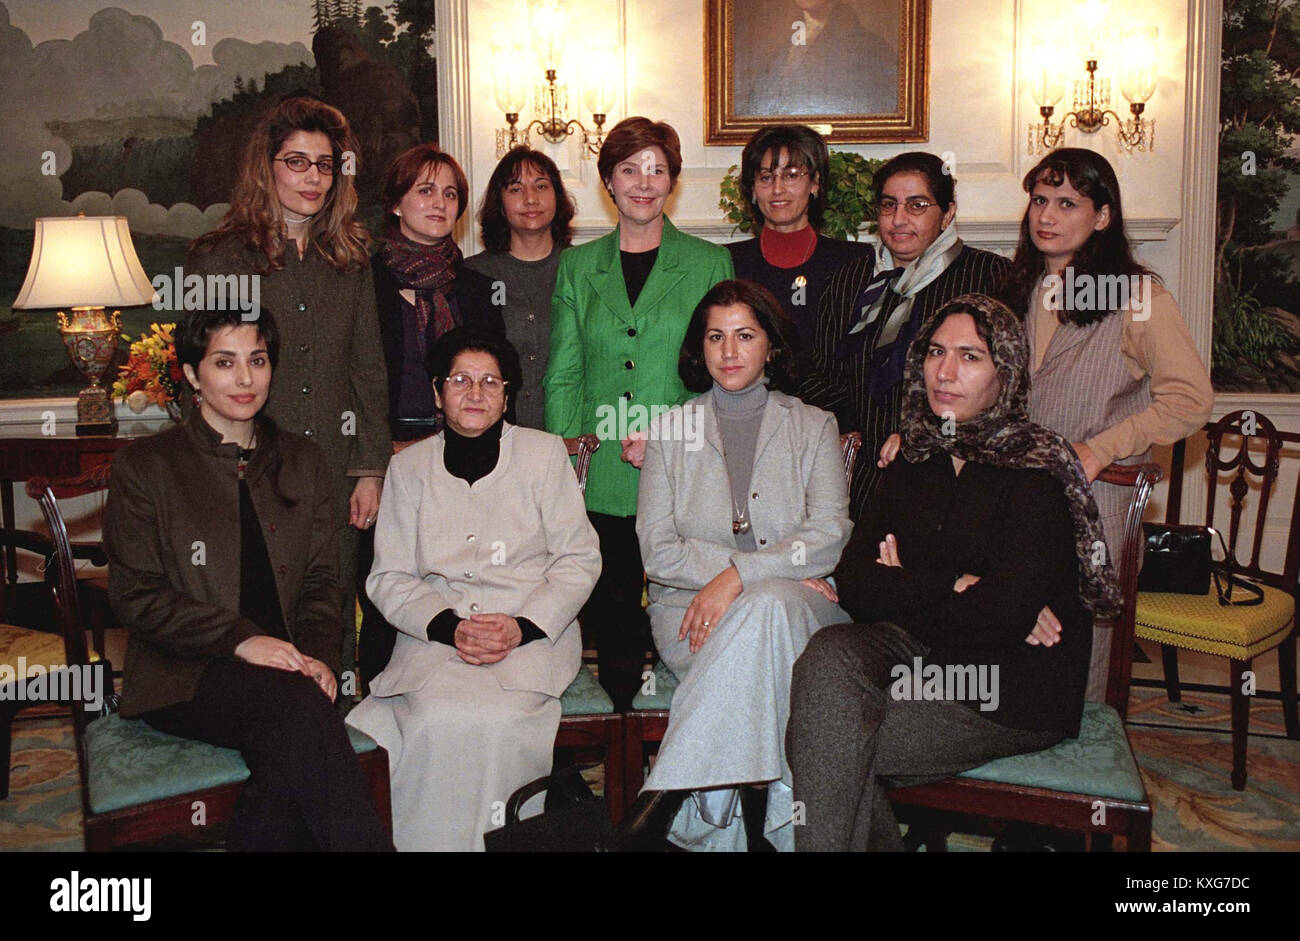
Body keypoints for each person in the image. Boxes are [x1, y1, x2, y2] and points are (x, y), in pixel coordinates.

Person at [786, 293, 1116, 851]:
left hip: (1010, 688)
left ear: (1004, 373)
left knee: (823, 739)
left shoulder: (1037, 470)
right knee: (828, 657)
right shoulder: (915, 455)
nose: (944, 371)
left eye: (970, 356)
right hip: (918, 652)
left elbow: (1000, 618)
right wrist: (953, 584)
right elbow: (857, 583)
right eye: (936, 352)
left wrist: (909, 583)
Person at [103, 307, 391, 851]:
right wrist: (244, 641)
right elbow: (135, 596)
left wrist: (319, 657)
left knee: (288, 762)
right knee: (300, 717)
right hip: (185, 675)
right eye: (224, 362)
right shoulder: (147, 466)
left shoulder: (302, 460)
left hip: (290, 674)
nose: (244, 379)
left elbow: (324, 582)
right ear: (191, 374)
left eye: (257, 361)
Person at [615, 279, 851, 852]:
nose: (729, 351)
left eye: (745, 335)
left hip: (800, 613)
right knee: (763, 630)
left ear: (771, 346)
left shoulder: (814, 426)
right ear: (700, 347)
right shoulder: (670, 429)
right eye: (715, 336)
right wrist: (770, 569)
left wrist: (740, 577)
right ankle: (764, 831)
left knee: (769, 606)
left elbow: (830, 534)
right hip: (690, 613)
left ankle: (672, 796)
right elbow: (659, 550)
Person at [347, 326, 601, 851]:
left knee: (500, 719)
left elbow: (578, 559)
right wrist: (448, 627)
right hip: (434, 641)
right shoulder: (407, 468)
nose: (476, 392)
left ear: (508, 395)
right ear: (438, 393)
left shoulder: (544, 455)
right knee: (432, 719)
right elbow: (388, 576)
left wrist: (521, 626)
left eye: (491, 381)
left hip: (531, 640)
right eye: (460, 379)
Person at [188, 95, 391, 677]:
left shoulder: (350, 257)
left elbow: (368, 369)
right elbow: (196, 379)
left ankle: (338, 728)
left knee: (328, 611)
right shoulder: (218, 258)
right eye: (297, 162)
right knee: (257, 610)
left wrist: (369, 469)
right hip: (247, 470)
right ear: (267, 166)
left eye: (324, 165)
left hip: (333, 466)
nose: (313, 177)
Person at [999, 148, 1213, 697]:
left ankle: (1089, 770)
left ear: (1102, 216)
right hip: (1011, 499)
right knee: (1010, 636)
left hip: (1097, 502)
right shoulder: (1014, 291)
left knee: (1084, 659)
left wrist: (1100, 448)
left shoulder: (1139, 295)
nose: (1046, 216)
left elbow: (1190, 400)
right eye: (1040, 201)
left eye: (1068, 203)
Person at [545, 116, 734, 709]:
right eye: (629, 169)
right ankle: (625, 750)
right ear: (608, 181)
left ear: (672, 180)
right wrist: (562, 458)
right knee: (614, 616)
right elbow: (565, 372)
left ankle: (695, 748)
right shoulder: (578, 266)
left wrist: (670, 435)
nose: (643, 182)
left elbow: (721, 372)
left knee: (689, 616)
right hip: (599, 471)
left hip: (682, 471)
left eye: (656, 169)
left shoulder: (708, 264)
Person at [360, 144, 505, 684]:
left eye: (450, 193)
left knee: (458, 582)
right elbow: (355, 380)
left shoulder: (476, 287)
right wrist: (375, 459)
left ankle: (462, 702)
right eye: (425, 190)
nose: (440, 203)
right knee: (385, 591)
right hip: (384, 455)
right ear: (396, 203)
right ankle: (381, 720)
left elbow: (492, 380)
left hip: (460, 457)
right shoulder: (362, 279)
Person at [799, 151, 1008, 521]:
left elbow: (1004, 382)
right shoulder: (851, 278)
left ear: (947, 213)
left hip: (951, 465)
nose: (898, 220)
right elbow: (816, 369)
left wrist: (923, 433)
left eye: (917, 205)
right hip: (858, 468)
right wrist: (846, 429)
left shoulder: (988, 276)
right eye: (888, 205)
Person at [726, 125, 872, 368]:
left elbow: (859, 361)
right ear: (752, 190)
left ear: (815, 183)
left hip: (830, 402)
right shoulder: (727, 262)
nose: (777, 189)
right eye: (765, 177)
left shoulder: (855, 263)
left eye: (792, 175)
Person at [465, 146, 576, 429]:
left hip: (568, 432)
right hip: (493, 436)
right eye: (516, 189)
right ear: (500, 204)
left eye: (541, 186)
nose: (530, 199)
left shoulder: (581, 269)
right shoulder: (473, 274)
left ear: (558, 197)